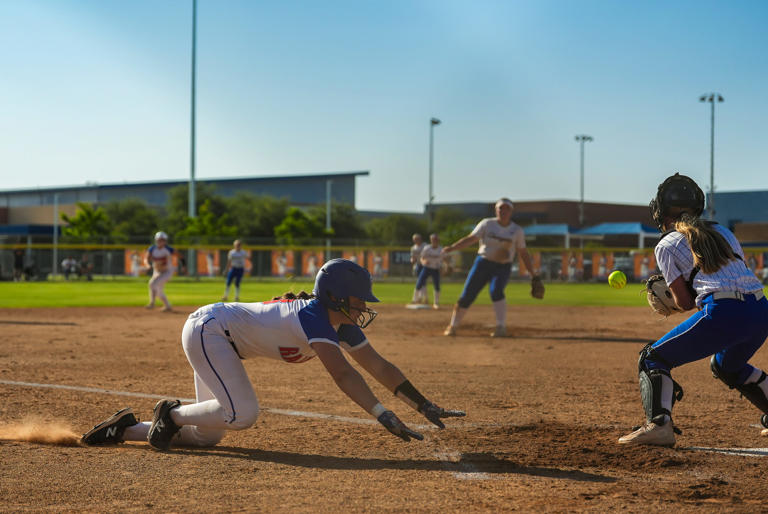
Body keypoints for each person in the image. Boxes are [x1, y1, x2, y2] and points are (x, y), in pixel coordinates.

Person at [80, 259, 465, 450]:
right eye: (358, 297)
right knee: (242, 414)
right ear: (335, 295)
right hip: (208, 330)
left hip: (220, 340)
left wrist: (423, 404)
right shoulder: (316, 318)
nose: (364, 305)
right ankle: (170, 412)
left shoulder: (339, 323)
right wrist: (382, 414)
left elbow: (378, 365)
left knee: (207, 437)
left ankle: (125, 429)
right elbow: (345, 375)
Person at [618, 173, 768, 447]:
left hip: (724, 311)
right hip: (760, 310)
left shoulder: (665, 244)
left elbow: (686, 303)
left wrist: (668, 301)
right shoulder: (723, 231)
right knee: (726, 366)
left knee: (651, 358)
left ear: (661, 212)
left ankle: (659, 426)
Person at [442, 198, 543, 338]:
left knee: (496, 291)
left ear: (511, 211)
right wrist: (453, 247)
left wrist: (533, 273)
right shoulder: (487, 224)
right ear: (496, 210)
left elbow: (523, 252)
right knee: (467, 295)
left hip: (502, 267)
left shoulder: (516, 230)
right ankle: (452, 326)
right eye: (501, 208)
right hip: (483, 263)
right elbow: (471, 238)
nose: (503, 211)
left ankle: (501, 327)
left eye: (507, 208)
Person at [412, 234, 444, 310]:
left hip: (436, 269)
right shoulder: (427, 248)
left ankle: (436, 303)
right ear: (431, 240)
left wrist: (446, 267)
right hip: (427, 268)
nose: (434, 241)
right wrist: (424, 262)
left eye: (435, 239)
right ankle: (414, 300)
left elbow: (445, 259)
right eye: (433, 239)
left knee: (437, 285)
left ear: (438, 240)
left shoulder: (440, 249)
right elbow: (421, 258)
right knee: (419, 282)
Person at [144, 231, 174, 312]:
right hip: (157, 272)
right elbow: (146, 258)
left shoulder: (168, 249)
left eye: (162, 240)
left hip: (167, 272)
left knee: (152, 283)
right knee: (159, 291)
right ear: (156, 240)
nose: (160, 241)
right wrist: (147, 265)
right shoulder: (152, 249)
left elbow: (180, 256)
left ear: (165, 241)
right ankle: (168, 306)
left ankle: (152, 303)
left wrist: (184, 266)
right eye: (159, 240)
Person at [409, 234, 427, 304]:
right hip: (419, 265)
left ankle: (420, 298)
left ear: (420, 239)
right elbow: (413, 257)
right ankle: (422, 298)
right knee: (422, 282)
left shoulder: (425, 246)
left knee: (422, 282)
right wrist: (412, 260)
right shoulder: (413, 248)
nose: (416, 240)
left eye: (417, 239)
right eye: (414, 239)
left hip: (425, 265)